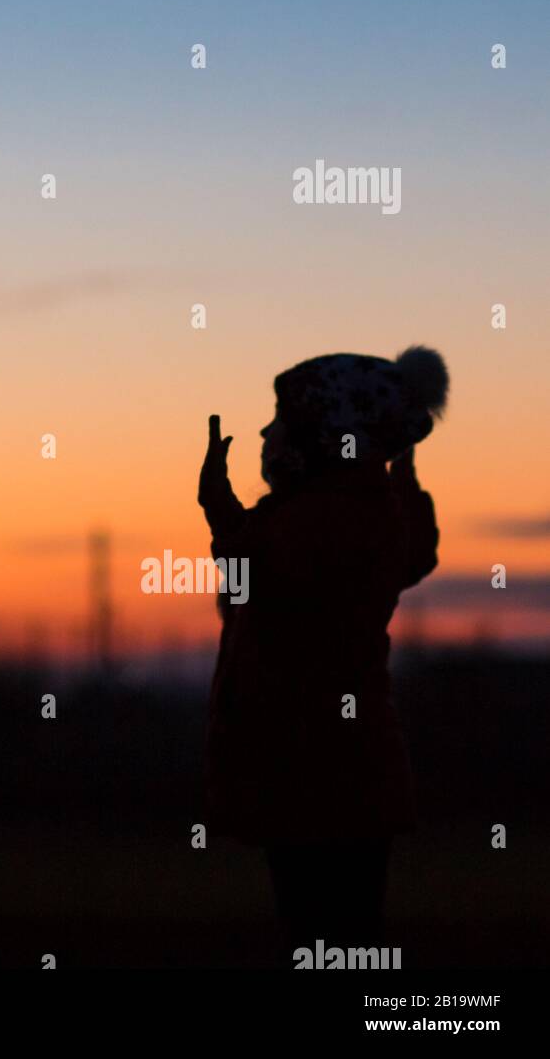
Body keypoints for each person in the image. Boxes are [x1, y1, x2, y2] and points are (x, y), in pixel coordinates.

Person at [197, 346, 448, 962]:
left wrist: (221, 511)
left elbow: (259, 577)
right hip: (337, 778)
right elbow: (410, 551)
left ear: (323, 436)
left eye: (281, 419)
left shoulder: (330, 515)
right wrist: (401, 472)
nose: (264, 432)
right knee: (343, 940)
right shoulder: (354, 507)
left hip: (320, 779)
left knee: (324, 938)